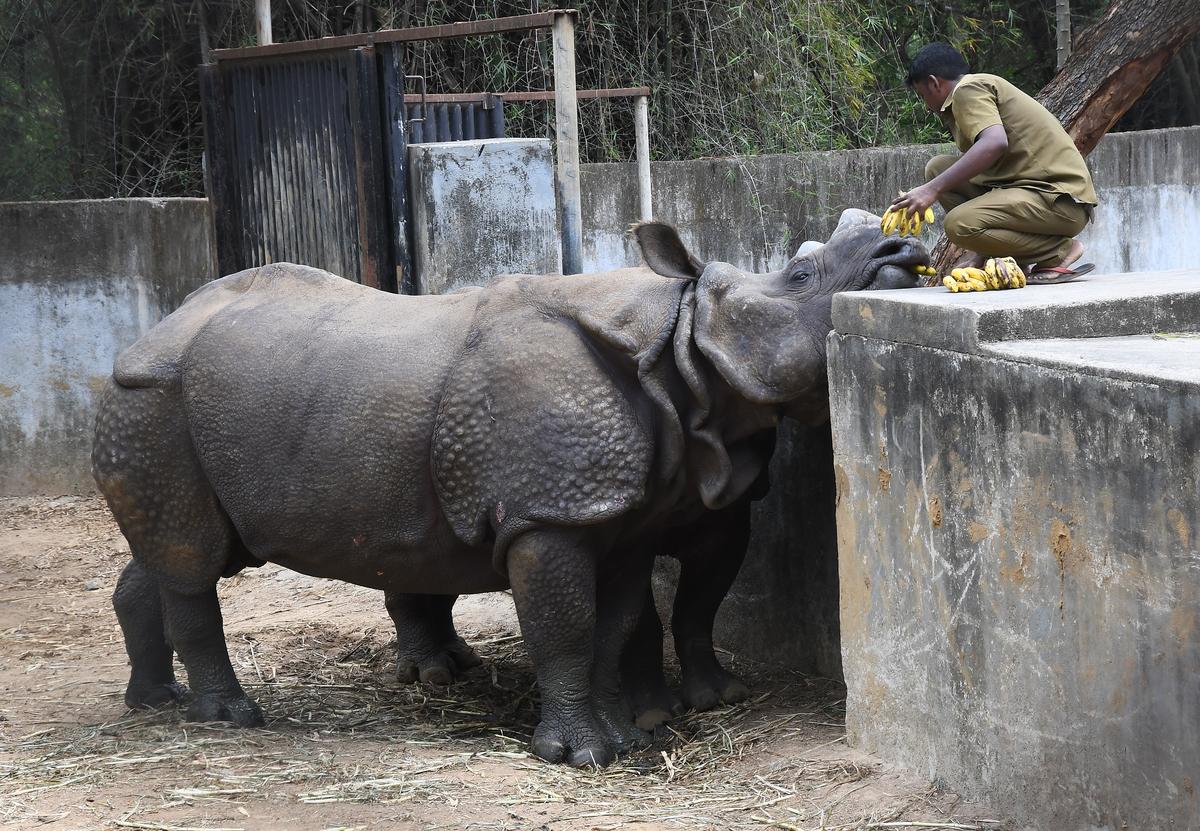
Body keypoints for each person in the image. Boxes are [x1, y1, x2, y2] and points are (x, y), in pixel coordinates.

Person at [890, 43, 1098, 282]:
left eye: (922, 94)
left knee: (958, 225)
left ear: (934, 82)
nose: (926, 105)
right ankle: (999, 253)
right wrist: (983, 251)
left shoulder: (967, 90)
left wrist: (931, 190)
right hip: (1032, 193)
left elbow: (994, 143)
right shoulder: (972, 91)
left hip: (1060, 200)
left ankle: (1059, 252)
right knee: (937, 167)